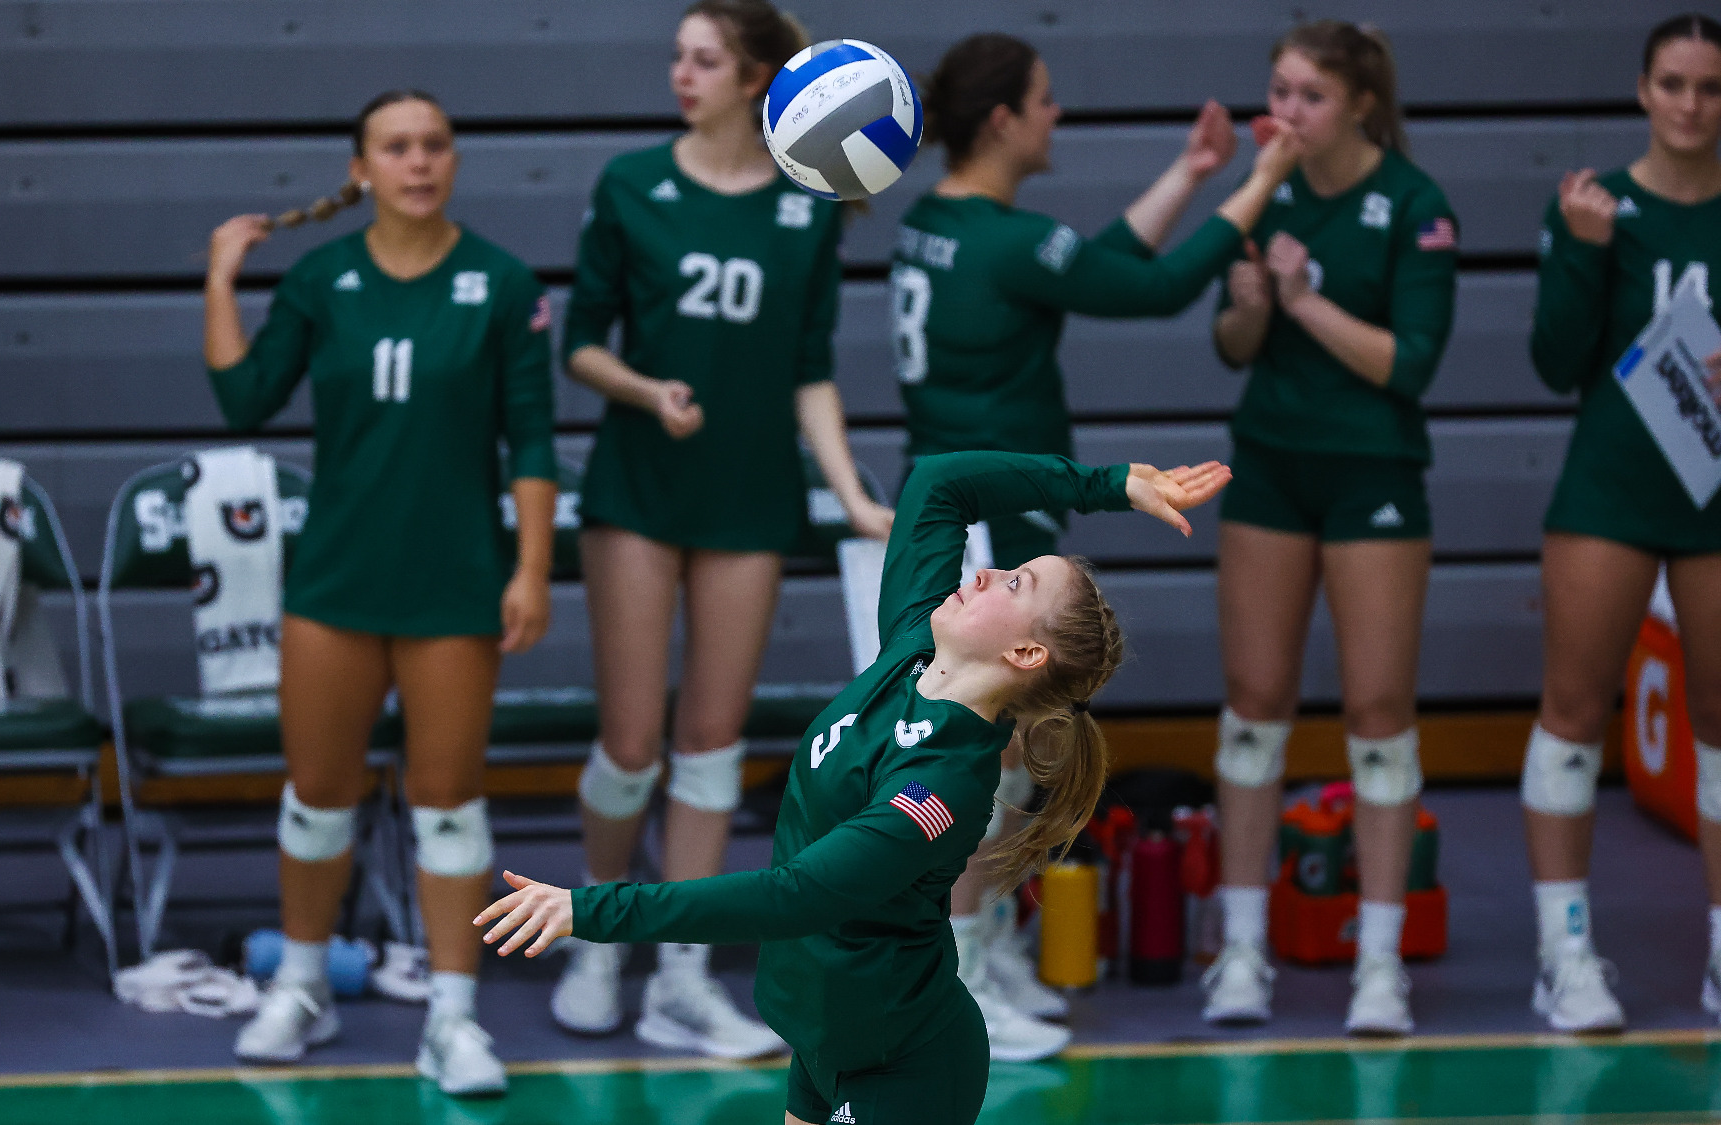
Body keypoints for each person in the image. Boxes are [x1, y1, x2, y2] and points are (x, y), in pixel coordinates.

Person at [477, 451, 1232, 1125]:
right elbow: (940, 482)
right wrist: (1109, 484)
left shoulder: (943, 785)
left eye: (1015, 580)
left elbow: (795, 895)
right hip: (823, 1035)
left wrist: (589, 909)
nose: (982, 572)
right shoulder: (912, 643)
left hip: (899, 1063)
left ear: (1027, 649)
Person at [893, 32, 1299, 1058]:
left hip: (957, 517)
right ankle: (962, 978)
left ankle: (980, 956)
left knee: (994, 757)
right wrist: (1259, 182)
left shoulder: (936, 226)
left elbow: (1090, 267)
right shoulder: (1003, 240)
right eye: (1041, 99)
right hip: (991, 524)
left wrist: (1190, 173)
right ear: (1001, 121)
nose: (1054, 115)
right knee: (978, 764)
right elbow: (1148, 291)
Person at [551, 0, 895, 1058]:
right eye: (675, 57)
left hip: (748, 499)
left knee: (710, 744)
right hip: (639, 492)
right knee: (630, 744)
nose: (678, 75)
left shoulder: (809, 207)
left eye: (701, 59)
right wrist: (646, 390)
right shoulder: (629, 185)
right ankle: (597, 936)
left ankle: (683, 977)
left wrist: (849, 493)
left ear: (754, 78)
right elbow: (578, 345)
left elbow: (811, 371)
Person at [203, 89, 558, 1096]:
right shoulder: (321, 278)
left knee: (448, 807)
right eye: (395, 148)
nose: (418, 162)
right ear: (360, 169)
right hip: (336, 580)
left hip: (453, 584)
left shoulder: (498, 283)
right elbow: (243, 399)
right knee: (317, 799)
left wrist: (528, 567)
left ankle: (451, 1019)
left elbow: (530, 436)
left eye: (435, 144)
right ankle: (302, 987)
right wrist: (222, 281)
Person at [1200, 21, 1459, 1036]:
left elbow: (1409, 364)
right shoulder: (1263, 196)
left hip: (1373, 475)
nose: (1286, 113)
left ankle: (1380, 964)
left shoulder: (1414, 203)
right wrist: (1249, 305)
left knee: (1377, 710)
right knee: (1252, 701)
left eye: (1308, 95)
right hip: (1268, 465)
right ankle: (1238, 952)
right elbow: (1229, 347)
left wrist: (1301, 302)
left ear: (1358, 102)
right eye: (1278, 92)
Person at [1520, 12, 1721, 1033]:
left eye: (1708, 87)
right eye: (1672, 83)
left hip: (1714, 499)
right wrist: (1584, 253)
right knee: (1571, 714)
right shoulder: (1593, 206)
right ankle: (1564, 955)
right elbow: (1553, 363)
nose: (1689, 105)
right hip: (1605, 490)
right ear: (1642, 90)